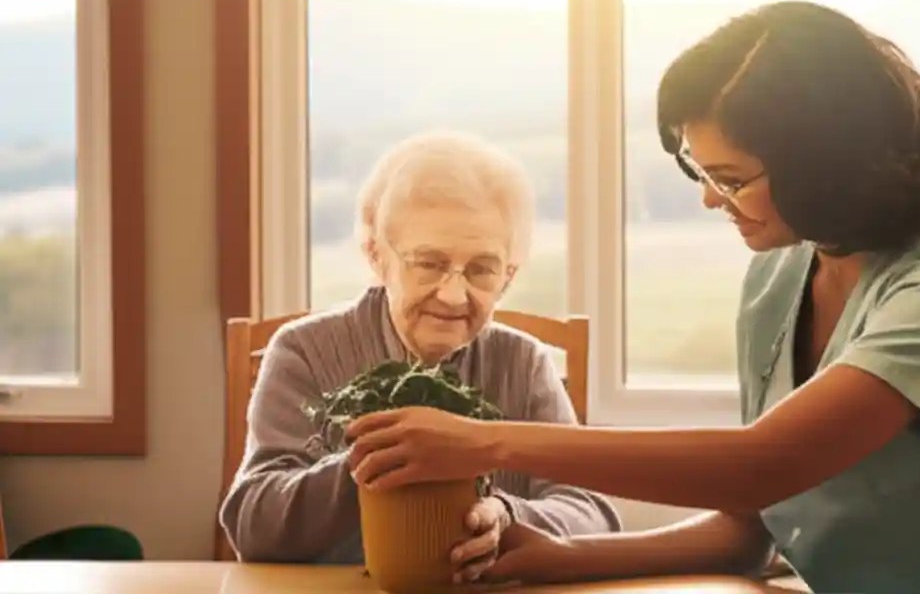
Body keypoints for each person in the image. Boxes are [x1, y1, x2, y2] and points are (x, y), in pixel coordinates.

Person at [343, 2, 920, 593]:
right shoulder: (779, 276)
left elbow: (758, 469)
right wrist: (561, 557)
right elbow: (752, 528)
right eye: (701, 174)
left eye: (732, 178)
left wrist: (486, 441)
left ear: (827, 163)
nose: (714, 202)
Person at [218, 131, 621, 581]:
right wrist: (375, 464)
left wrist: (507, 518)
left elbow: (592, 515)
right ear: (377, 256)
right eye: (428, 263)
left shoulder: (523, 363)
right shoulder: (303, 352)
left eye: (481, 269)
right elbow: (252, 524)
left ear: (507, 277)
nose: (452, 295)